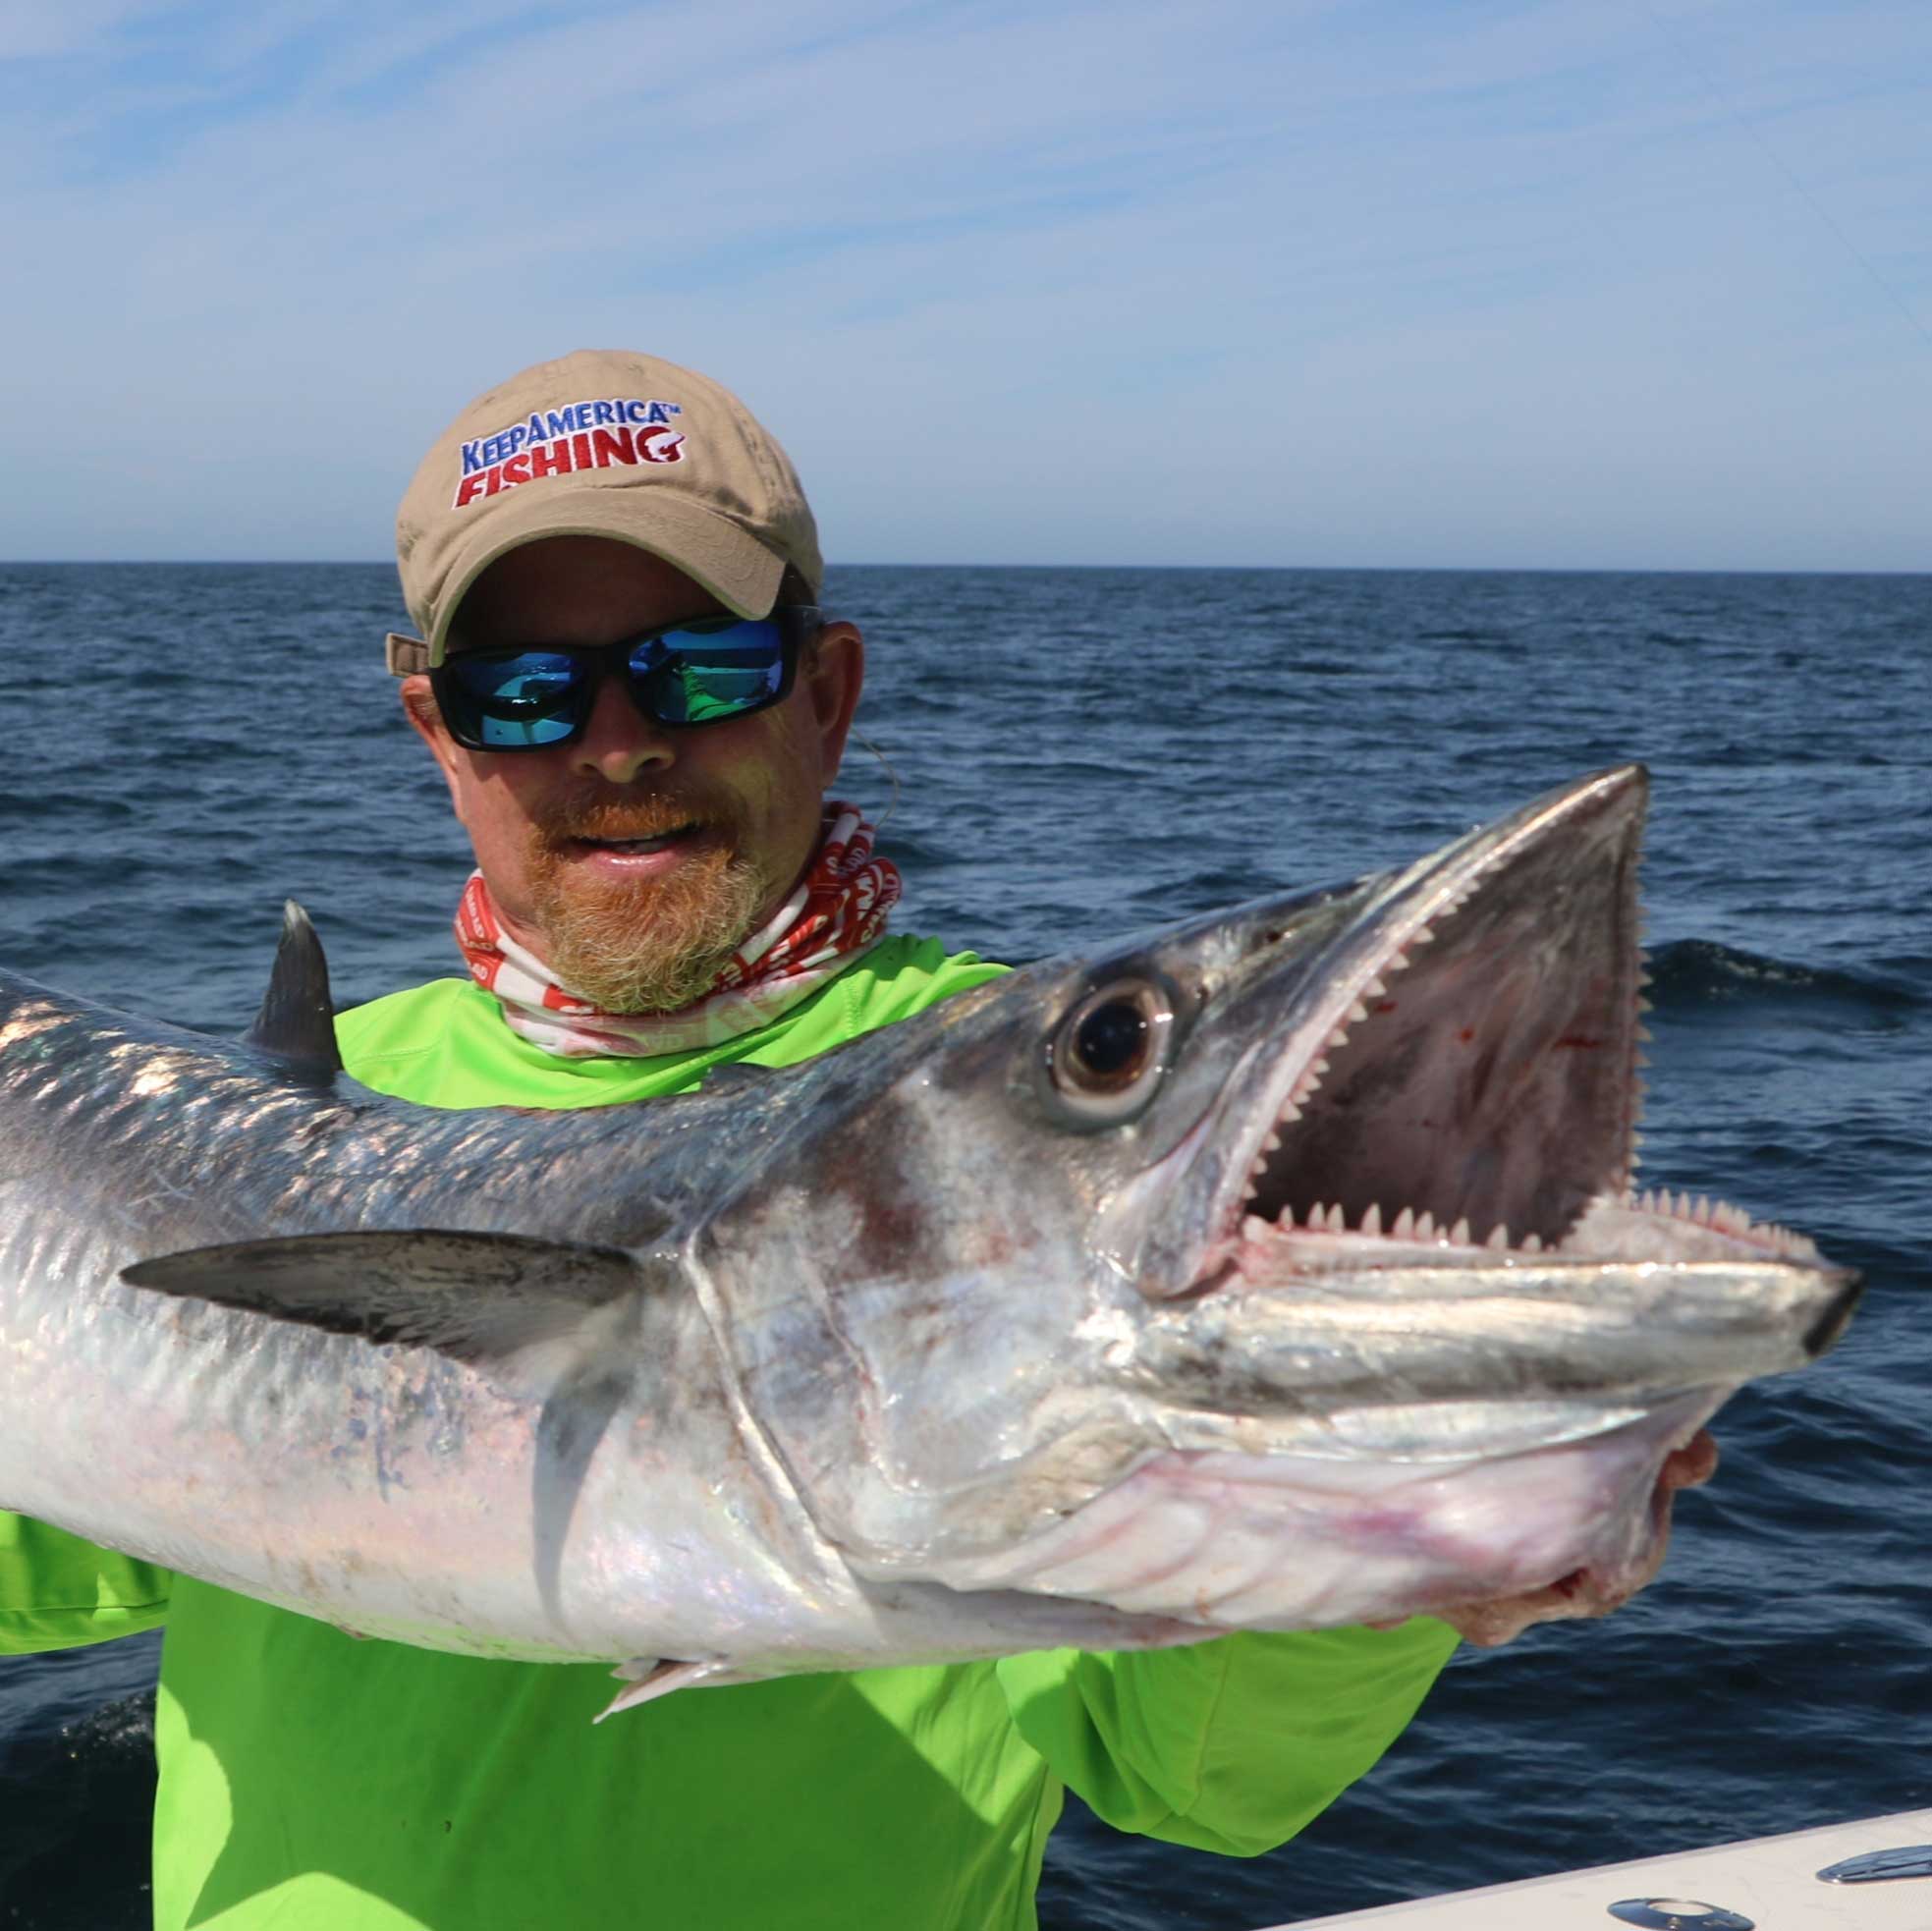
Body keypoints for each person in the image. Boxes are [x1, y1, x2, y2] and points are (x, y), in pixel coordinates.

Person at [0, 349, 1712, 1930]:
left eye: (702, 664)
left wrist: (1390, 1547)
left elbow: (1198, 1779)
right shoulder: (313, 1089)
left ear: (825, 690)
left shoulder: (1008, 1102)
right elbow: (48, 1559)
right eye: (527, 691)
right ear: (440, 735)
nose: (620, 740)